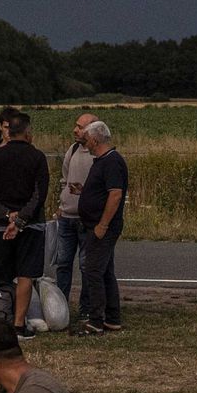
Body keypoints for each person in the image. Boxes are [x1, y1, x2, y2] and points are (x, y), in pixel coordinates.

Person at [0, 110, 49, 339]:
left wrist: (6, 215)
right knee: (25, 274)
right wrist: (21, 218)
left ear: (8, 131)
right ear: (26, 132)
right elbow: (39, 194)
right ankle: (18, 324)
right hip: (31, 224)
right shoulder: (37, 157)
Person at [70, 120, 127, 336]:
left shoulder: (111, 162)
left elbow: (115, 194)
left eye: (86, 138)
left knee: (93, 270)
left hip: (101, 227)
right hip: (94, 224)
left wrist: (102, 225)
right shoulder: (102, 161)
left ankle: (96, 320)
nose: (85, 142)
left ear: (95, 139)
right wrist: (86, 192)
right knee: (105, 272)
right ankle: (112, 318)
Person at [50, 112, 99, 300]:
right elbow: (65, 179)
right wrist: (61, 204)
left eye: (80, 127)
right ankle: (61, 303)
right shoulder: (72, 150)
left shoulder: (98, 155)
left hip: (86, 219)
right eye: (76, 126)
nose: (75, 130)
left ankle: (86, 306)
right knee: (63, 263)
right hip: (67, 217)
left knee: (86, 265)